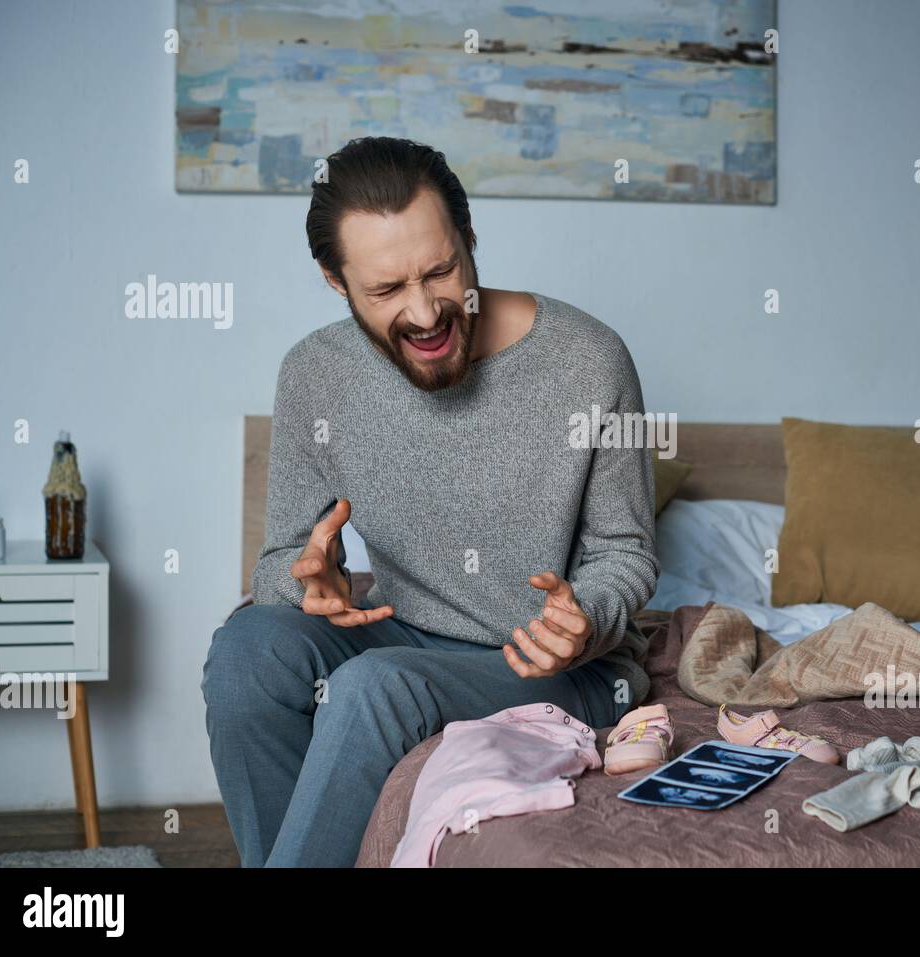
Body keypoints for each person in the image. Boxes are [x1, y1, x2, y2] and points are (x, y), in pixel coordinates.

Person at [201, 136, 658, 867]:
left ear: (470, 238)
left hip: (561, 670)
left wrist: (587, 618)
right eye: (386, 291)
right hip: (407, 635)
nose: (425, 313)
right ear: (335, 280)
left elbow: (625, 553)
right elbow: (281, 561)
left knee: (373, 688)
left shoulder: (589, 359)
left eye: (441, 271)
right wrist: (304, 581)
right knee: (244, 654)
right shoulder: (315, 375)